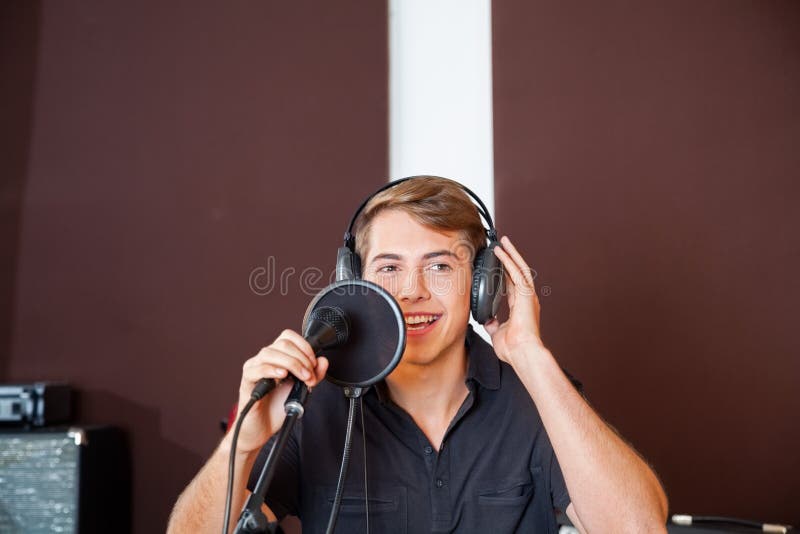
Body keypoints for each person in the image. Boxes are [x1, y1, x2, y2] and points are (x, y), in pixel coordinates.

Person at [168, 176, 668, 533]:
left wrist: (532, 357)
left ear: (481, 285)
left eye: (440, 267)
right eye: (389, 268)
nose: (411, 292)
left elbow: (640, 530)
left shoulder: (538, 401)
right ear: (354, 282)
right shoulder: (310, 405)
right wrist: (247, 438)